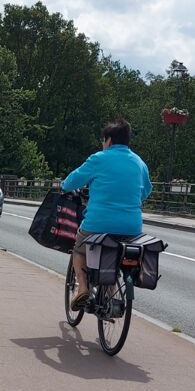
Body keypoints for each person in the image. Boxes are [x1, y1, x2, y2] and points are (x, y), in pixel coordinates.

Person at [60, 118, 153, 310]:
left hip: (98, 224)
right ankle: (111, 298)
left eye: (103, 141)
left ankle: (83, 288)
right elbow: (145, 191)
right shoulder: (139, 163)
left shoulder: (98, 159)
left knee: (78, 248)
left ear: (108, 140)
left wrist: (63, 186)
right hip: (132, 228)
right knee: (118, 254)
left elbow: (71, 182)